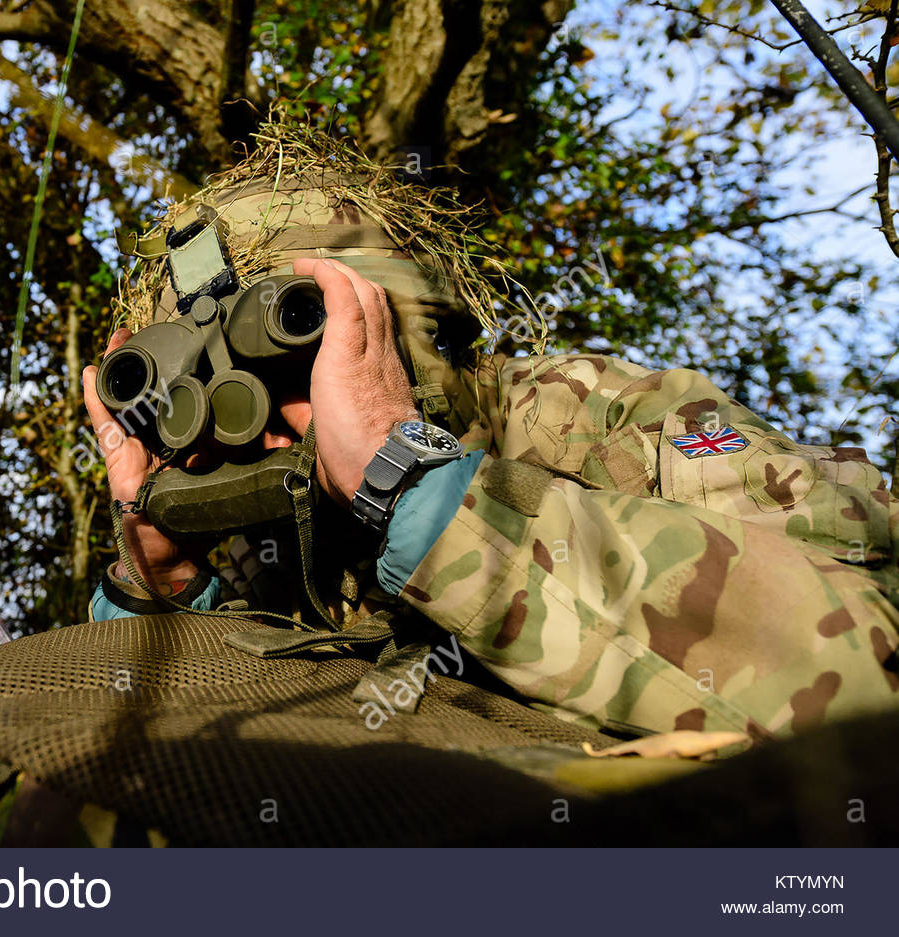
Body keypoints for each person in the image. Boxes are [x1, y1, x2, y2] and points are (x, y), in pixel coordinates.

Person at [81, 166, 899, 742]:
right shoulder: (269, 549)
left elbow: (863, 678)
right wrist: (158, 578)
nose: (259, 433)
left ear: (397, 333)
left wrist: (415, 488)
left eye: (287, 366)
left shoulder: (603, 422)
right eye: (215, 395)